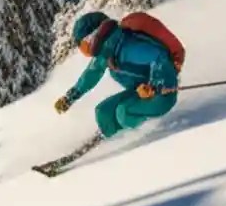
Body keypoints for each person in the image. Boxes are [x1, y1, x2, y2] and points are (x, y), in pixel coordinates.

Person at [54, 10, 182, 139]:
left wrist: (155, 85)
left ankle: (146, 134)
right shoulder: (107, 53)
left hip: (162, 93)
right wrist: (70, 97)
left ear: (93, 37)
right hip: (142, 91)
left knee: (123, 112)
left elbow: (159, 56)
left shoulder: (127, 47)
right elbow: (91, 74)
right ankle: (112, 138)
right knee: (103, 112)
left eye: (84, 46)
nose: (87, 52)